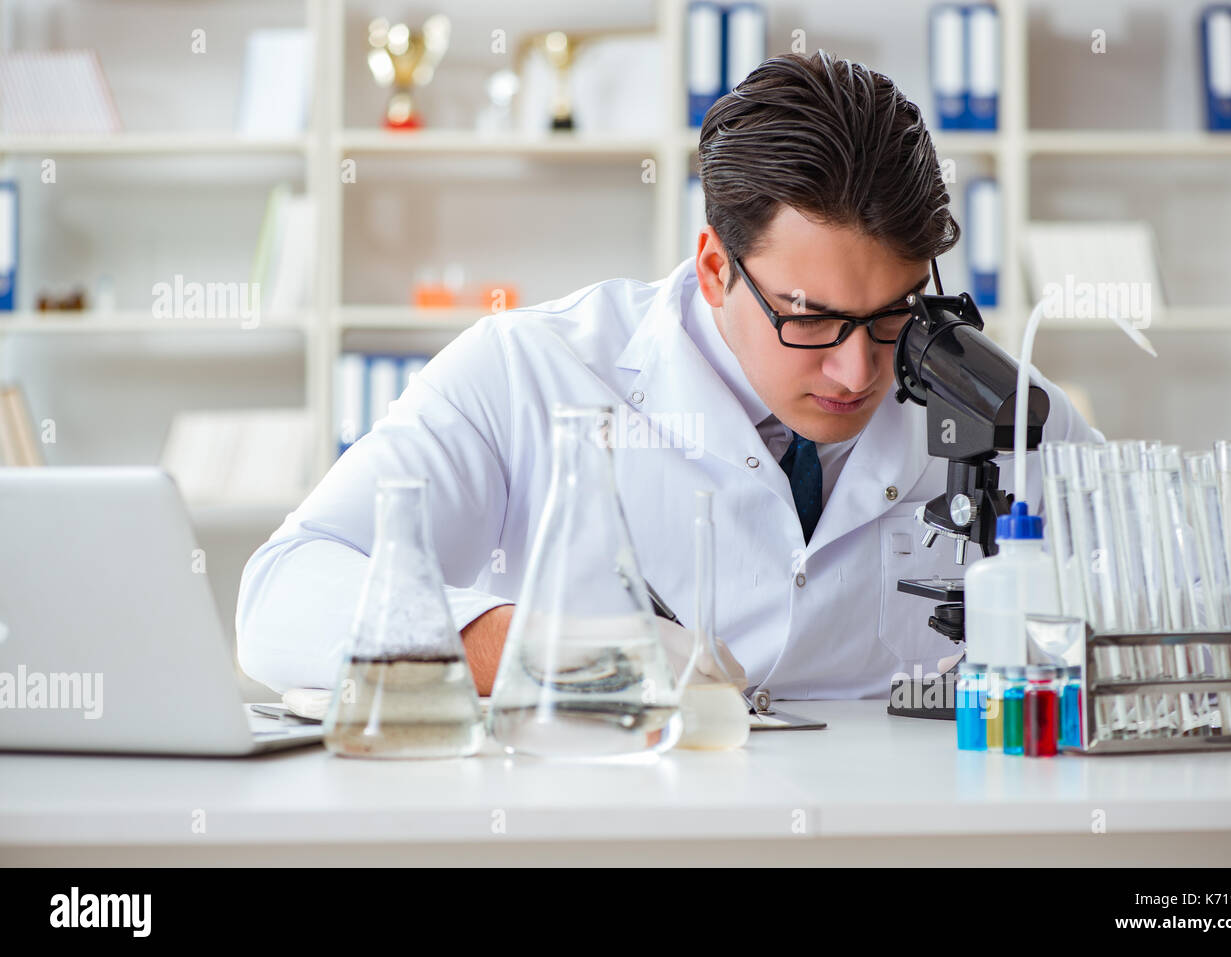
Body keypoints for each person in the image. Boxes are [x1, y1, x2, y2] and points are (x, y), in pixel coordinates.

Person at [236, 50, 1102, 701]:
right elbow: (282, 596)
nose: (858, 367)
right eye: (810, 317)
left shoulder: (988, 401)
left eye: (892, 315)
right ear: (716, 269)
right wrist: (556, 651)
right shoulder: (528, 371)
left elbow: (1160, 574)